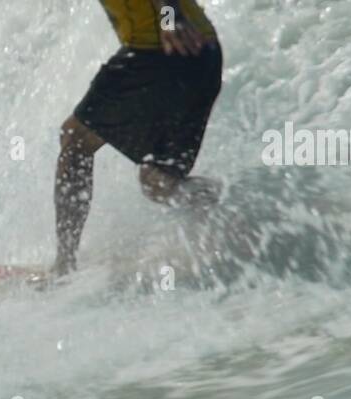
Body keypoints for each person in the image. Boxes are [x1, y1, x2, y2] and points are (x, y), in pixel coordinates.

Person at [53, 0, 224, 276]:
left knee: (75, 138)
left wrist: (170, 18)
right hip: (203, 56)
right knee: (158, 182)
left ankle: (64, 265)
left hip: (160, 52)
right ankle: (226, 207)